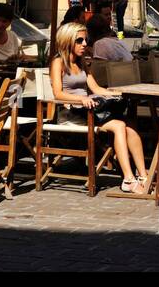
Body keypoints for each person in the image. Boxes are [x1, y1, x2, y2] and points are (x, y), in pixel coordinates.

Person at [50, 21, 148, 192]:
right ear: (67, 41)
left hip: (88, 110)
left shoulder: (81, 63)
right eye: (79, 41)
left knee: (130, 127)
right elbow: (57, 93)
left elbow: (95, 88)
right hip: (71, 113)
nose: (85, 44)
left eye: (85, 40)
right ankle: (128, 179)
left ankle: (144, 175)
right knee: (119, 126)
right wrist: (80, 100)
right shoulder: (58, 62)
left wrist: (116, 93)